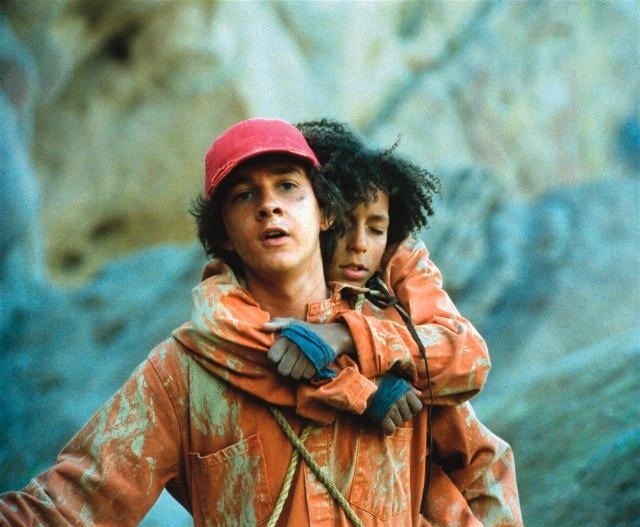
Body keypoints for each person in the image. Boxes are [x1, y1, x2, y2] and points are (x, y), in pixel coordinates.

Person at [182, 118, 522, 526]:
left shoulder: (395, 279)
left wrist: (350, 336)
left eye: (376, 229)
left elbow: (469, 363)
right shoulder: (229, 300)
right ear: (322, 216)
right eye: (344, 225)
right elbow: (236, 334)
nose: (359, 244)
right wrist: (362, 389)